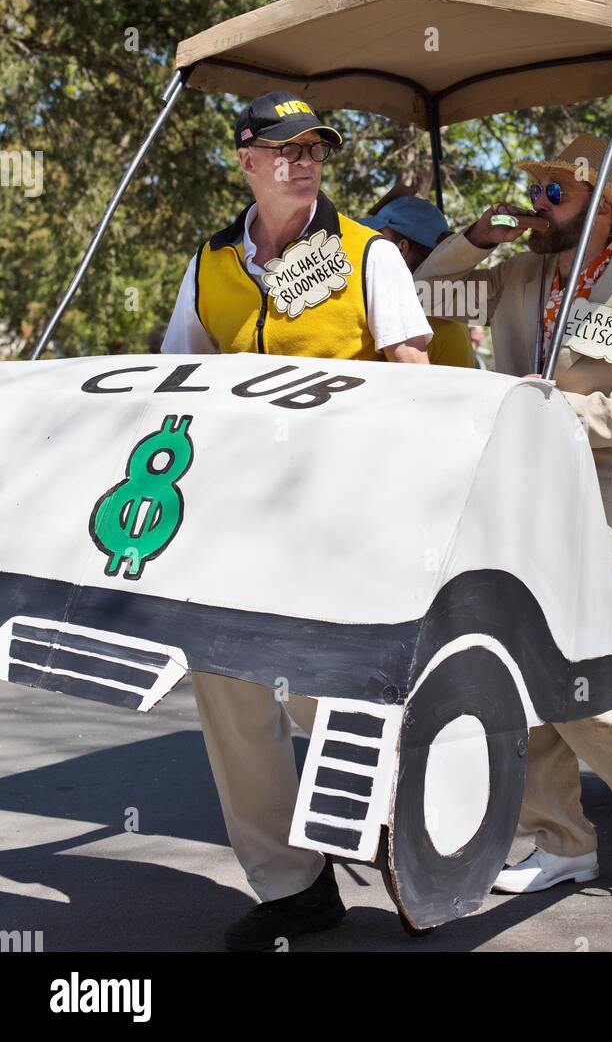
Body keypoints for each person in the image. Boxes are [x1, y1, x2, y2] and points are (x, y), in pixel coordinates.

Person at [162, 91, 431, 950]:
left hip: (344, 522)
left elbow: (414, 378)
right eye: (283, 146)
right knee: (231, 692)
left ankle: (415, 833)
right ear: (244, 159)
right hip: (235, 523)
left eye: (315, 145)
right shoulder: (208, 263)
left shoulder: (368, 253)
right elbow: (178, 379)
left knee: (335, 696)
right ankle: (294, 887)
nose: (303, 158)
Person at [414, 132, 612, 896]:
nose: (541, 203)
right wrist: (474, 239)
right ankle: (561, 838)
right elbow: (420, 296)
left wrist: (561, 414)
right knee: (514, 673)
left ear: (604, 210)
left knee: (578, 667)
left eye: (557, 192)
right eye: (540, 190)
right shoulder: (514, 275)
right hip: (504, 502)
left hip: (586, 507)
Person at [359, 195, 475, 367]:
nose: (369, 246)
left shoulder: (412, 311)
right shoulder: (441, 301)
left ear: (401, 248)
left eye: (377, 238)